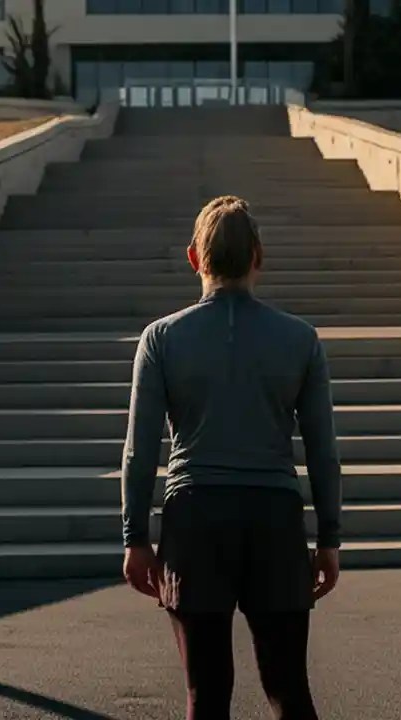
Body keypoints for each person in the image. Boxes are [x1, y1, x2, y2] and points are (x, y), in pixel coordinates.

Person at [121, 195, 344, 720]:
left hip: (195, 519)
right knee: (289, 690)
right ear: (258, 257)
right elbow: (322, 450)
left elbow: (140, 447)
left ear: (195, 259)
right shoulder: (301, 340)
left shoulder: (161, 340)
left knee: (208, 696)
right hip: (274, 520)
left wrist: (135, 537)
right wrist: (329, 538)